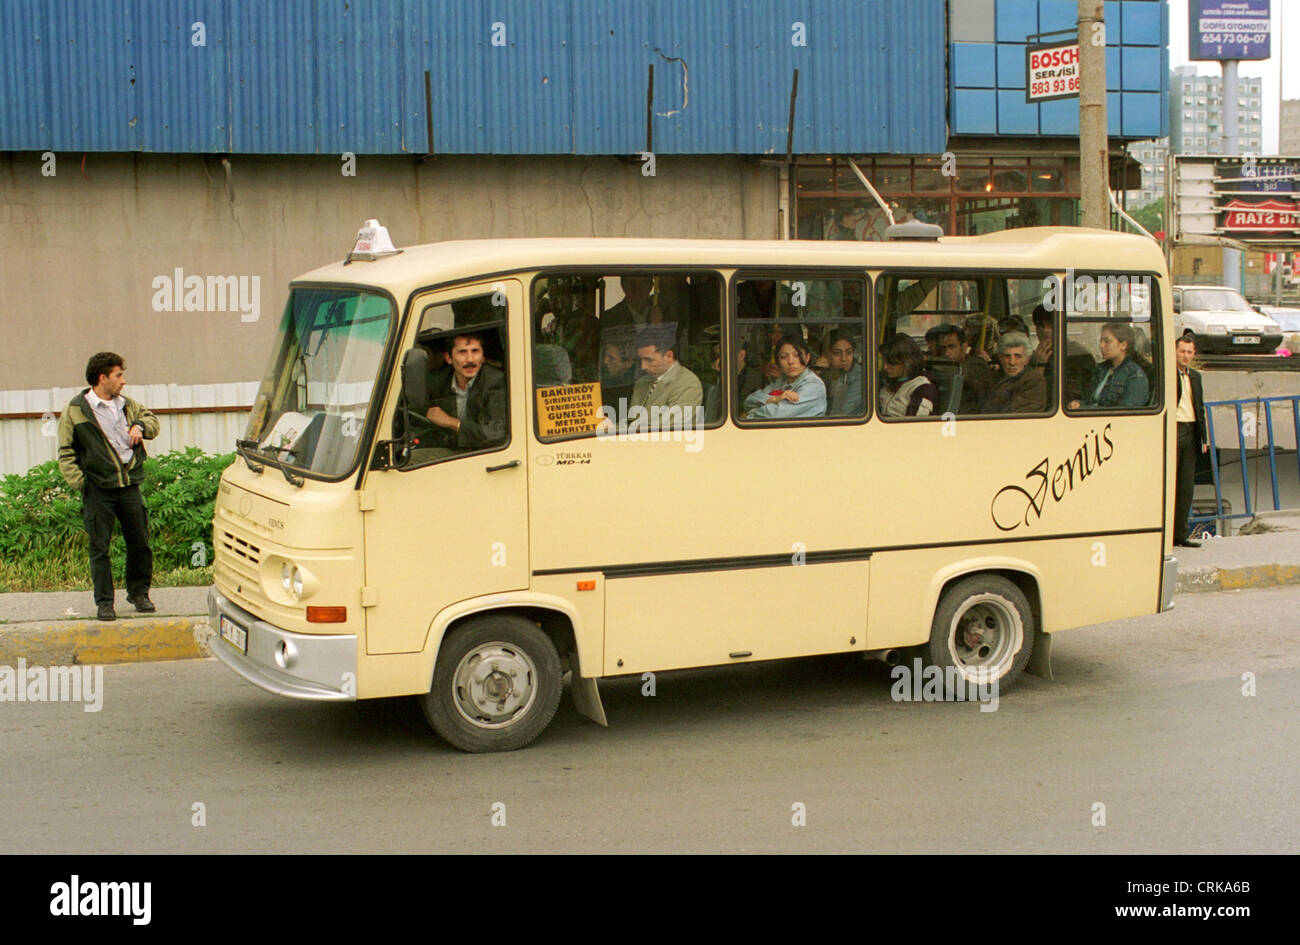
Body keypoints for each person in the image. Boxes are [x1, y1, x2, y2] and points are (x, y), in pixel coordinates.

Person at [57, 352, 160, 622]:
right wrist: (82, 484)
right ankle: (104, 603)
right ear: (102, 378)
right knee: (100, 549)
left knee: (140, 543)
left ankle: (139, 595)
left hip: (129, 485)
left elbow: (152, 421)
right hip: (98, 490)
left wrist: (139, 425)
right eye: (118, 376)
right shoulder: (76, 410)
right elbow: (66, 453)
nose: (123, 382)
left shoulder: (127, 405)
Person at [412, 332, 507, 454]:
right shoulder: (437, 382)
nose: (470, 359)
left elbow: (492, 435)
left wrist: (452, 422)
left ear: (483, 357)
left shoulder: (495, 382)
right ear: (449, 358)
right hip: (451, 449)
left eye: (475, 351)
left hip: (486, 453)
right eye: (462, 352)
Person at [1173, 335, 1209, 547]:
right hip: (1175, 428)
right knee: (1172, 484)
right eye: (1182, 351)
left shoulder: (1195, 377)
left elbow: (1200, 407)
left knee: (1186, 487)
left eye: (1189, 352)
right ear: (1175, 351)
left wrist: (1203, 437)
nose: (1185, 356)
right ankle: (1167, 533)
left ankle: (1181, 534)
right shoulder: (1169, 374)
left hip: (1191, 429)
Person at [742, 335, 827, 419]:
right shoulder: (783, 380)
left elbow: (775, 415)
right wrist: (774, 399)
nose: (790, 362)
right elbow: (749, 401)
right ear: (778, 361)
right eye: (783, 357)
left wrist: (750, 414)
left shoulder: (813, 385)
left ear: (807, 358)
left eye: (796, 355)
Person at [1071, 322, 1150, 410]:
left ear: (1123, 345)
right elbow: (1090, 399)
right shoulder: (1101, 369)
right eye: (1101, 341)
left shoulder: (1135, 376)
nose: (1101, 345)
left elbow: (1125, 412)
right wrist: (1079, 403)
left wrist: (1085, 408)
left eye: (1107, 341)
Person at [1029, 304, 1094, 405]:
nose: (1045, 331)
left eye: (1050, 325)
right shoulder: (1033, 357)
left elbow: (1072, 396)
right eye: (1040, 325)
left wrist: (1041, 366)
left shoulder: (1077, 355)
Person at [629, 328, 703, 411]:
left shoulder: (687, 384)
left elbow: (674, 423)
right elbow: (632, 418)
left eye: (649, 360)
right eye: (640, 360)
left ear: (669, 356)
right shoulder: (643, 381)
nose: (643, 366)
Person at [932, 322, 995, 413]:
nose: (947, 353)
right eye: (943, 348)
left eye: (952, 347)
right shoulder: (937, 364)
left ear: (964, 347)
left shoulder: (977, 367)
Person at [979, 332, 1047, 414]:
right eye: (1007, 356)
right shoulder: (993, 378)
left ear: (1027, 359)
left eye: (1018, 356)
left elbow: (1014, 416)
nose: (1012, 362)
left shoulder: (1034, 382)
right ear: (1000, 358)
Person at [878, 334, 939, 417]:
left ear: (907, 362)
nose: (885, 367)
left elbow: (916, 424)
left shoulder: (923, 388)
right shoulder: (885, 383)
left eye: (891, 363)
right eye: (884, 361)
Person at [822, 330, 864, 417]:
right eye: (837, 353)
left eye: (849, 353)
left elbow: (841, 413)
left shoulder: (858, 376)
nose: (844, 359)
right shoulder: (823, 372)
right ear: (826, 354)